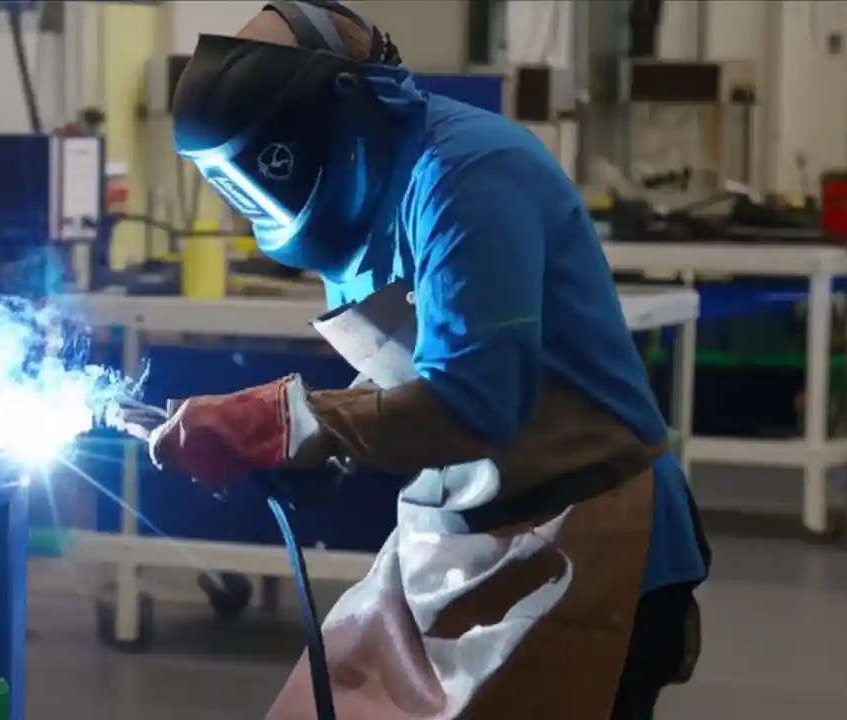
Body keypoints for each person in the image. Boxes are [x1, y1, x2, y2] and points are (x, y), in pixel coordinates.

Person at [148, 2, 711, 719]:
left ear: (337, 108)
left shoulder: (468, 176)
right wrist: (314, 447)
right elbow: (415, 363)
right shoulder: (356, 198)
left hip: (592, 532)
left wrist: (294, 421)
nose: (257, 193)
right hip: (463, 534)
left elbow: (474, 398)